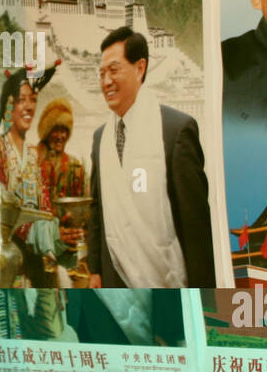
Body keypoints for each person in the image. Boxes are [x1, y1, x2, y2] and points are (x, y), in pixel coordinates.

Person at [87, 26, 215, 288]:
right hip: (116, 282)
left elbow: (196, 227)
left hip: (167, 281)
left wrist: (204, 300)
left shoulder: (175, 131)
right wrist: (95, 269)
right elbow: (97, 210)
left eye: (114, 70)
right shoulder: (101, 139)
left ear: (140, 67)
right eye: (101, 74)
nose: (106, 82)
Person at [0, 65, 81, 287]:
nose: (28, 106)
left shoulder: (35, 157)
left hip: (37, 269)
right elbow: (6, 218)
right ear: (9, 103)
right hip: (3, 267)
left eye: (33, 100)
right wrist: (52, 234)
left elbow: (43, 214)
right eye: (22, 99)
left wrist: (61, 234)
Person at [35, 97, 90, 285]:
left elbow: (85, 207)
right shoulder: (33, 164)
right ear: (47, 132)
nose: (60, 136)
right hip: (42, 245)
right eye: (55, 130)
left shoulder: (75, 166)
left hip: (71, 244)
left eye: (64, 131)